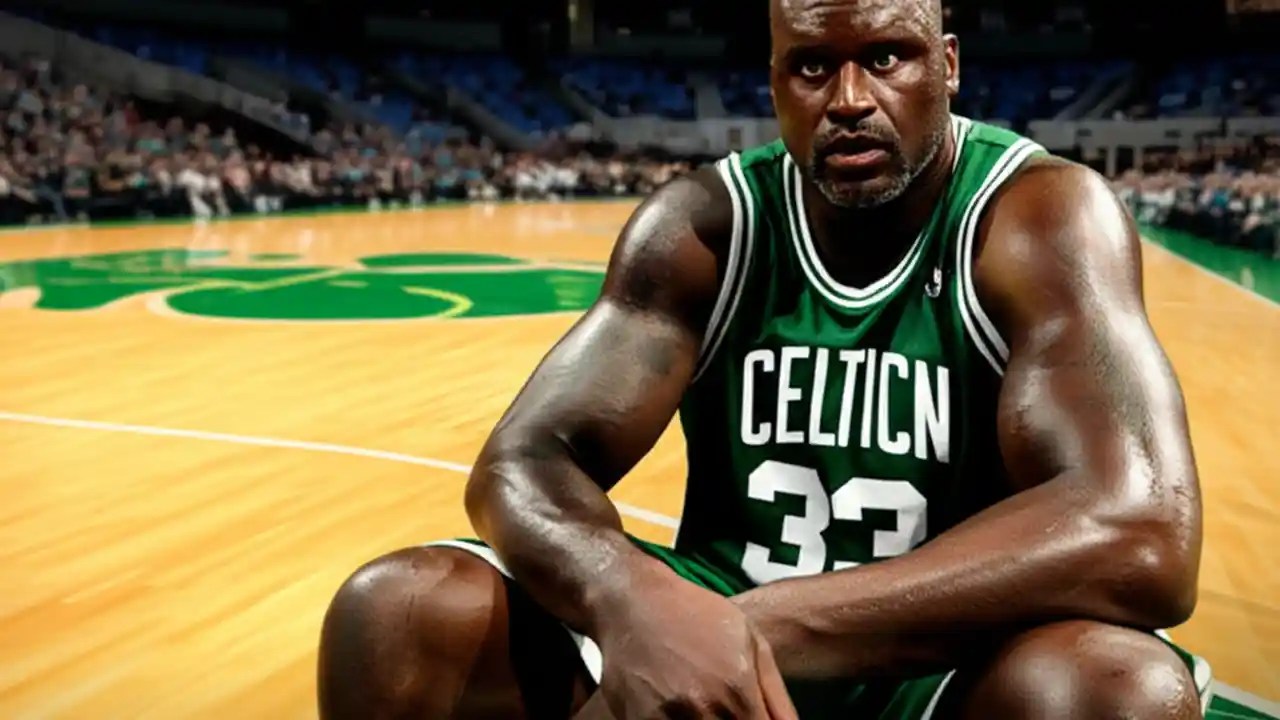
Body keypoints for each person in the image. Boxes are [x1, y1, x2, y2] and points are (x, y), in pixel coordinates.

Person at [316, 0, 1212, 717]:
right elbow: (524, 461)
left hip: (940, 660)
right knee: (397, 611)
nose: (850, 96)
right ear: (777, 80)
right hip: (705, 620)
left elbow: (1141, 531)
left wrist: (742, 632)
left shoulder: (1036, 217)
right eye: (813, 65)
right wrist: (633, 602)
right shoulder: (707, 226)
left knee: (1118, 692)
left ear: (948, 64)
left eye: (888, 56)